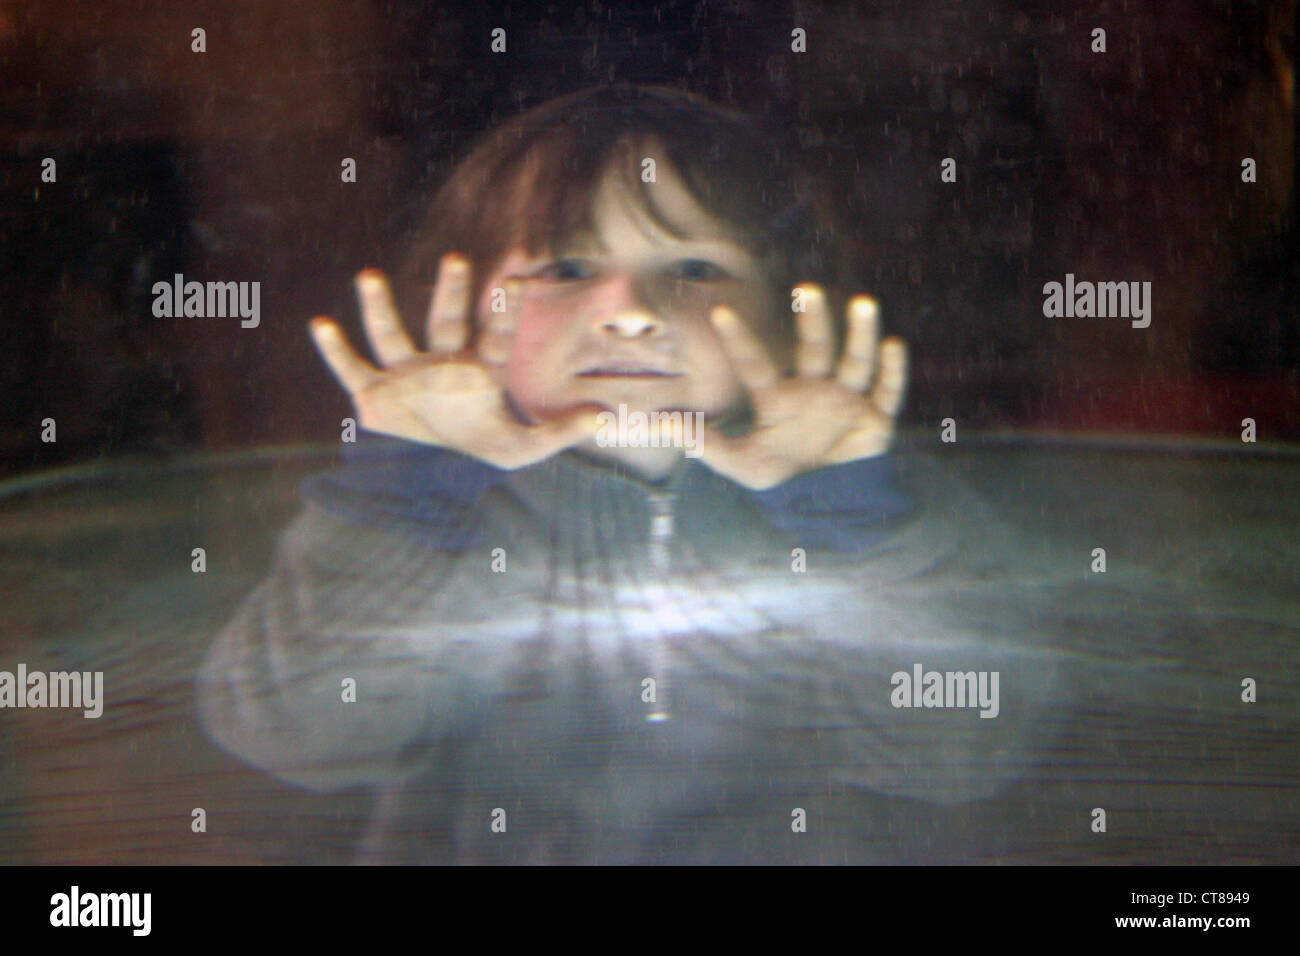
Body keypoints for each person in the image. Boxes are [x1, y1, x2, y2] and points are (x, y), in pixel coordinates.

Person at [198, 84, 1072, 864]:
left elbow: (967, 751)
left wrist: (849, 511)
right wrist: (403, 491)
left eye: (695, 268)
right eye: (566, 267)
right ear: (459, 312)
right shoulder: (418, 519)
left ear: (793, 308)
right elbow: (286, 733)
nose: (629, 312)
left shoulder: (878, 508)